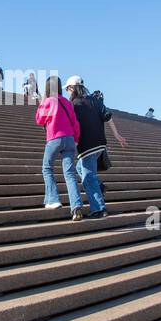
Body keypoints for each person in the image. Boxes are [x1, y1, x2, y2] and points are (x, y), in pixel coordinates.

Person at [66, 76, 127, 220]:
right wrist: (117, 135)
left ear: (71, 88)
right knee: (80, 169)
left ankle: (99, 209)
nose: (68, 92)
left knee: (88, 177)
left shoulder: (73, 104)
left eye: (68, 89)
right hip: (100, 144)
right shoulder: (95, 100)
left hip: (87, 146)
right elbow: (108, 117)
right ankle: (99, 186)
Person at [35, 75, 85, 220]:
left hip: (54, 138)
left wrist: (42, 102)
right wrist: (75, 139)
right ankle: (76, 207)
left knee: (47, 168)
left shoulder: (49, 101)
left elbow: (39, 120)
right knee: (69, 173)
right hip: (69, 139)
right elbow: (75, 123)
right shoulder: (67, 102)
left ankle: (53, 199)